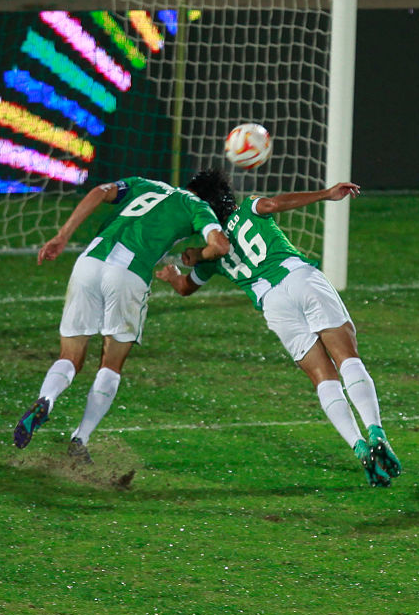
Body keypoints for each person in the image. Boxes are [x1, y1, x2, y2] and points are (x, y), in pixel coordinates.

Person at [155, 172, 403, 487]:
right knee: (346, 356)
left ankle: (358, 447)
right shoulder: (248, 209)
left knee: (321, 377)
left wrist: (173, 273)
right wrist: (326, 194)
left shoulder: (210, 255)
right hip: (298, 278)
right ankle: (376, 433)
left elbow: (186, 288)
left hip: (273, 304)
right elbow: (274, 203)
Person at [13, 171, 232, 463]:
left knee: (70, 356)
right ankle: (80, 439)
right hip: (128, 274)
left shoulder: (146, 184)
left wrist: (62, 236)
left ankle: (46, 399)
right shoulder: (198, 207)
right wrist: (197, 254)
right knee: (111, 364)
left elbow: (98, 192)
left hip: (89, 263)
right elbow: (220, 246)